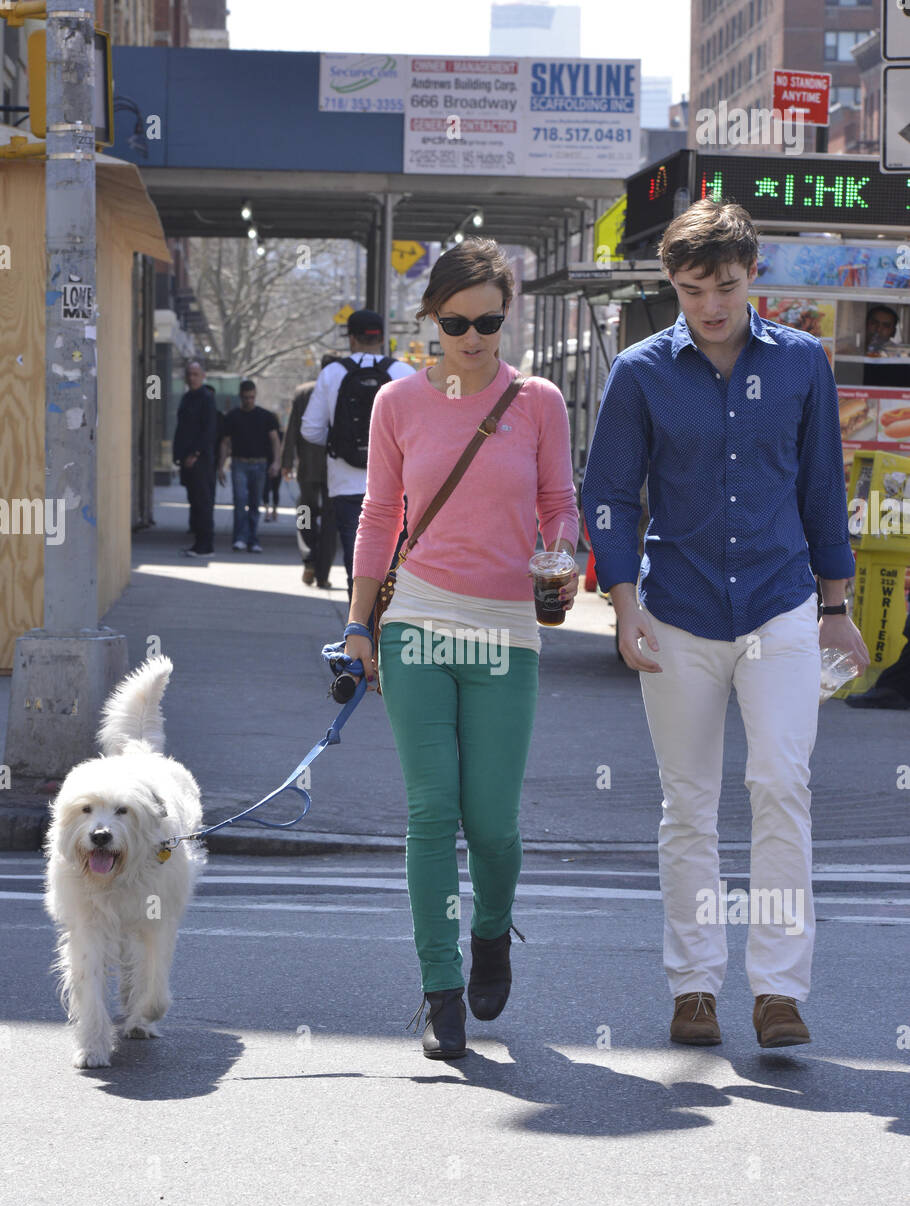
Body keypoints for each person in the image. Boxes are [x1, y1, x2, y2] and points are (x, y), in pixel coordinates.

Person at [581, 198, 869, 1051]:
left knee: (781, 784)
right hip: (678, 610)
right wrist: (623, 605)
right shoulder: (640, 371)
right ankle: (695, 987)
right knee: (689, 805)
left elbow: (822, 486)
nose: (710, 305)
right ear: (670, 283)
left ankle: (778, 991)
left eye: (727, 286)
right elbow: (609, 495)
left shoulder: (803, 361)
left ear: (753, 275)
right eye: (691, 289)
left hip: (781, 603)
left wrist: (837, 607)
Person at [344, 239, 579, 1059]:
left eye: (488, 321)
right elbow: (380, 515)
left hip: (508, 627)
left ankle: (491, 934)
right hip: (417, 621)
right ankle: (440, 986)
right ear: (431, 320)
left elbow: (559, 501)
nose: (473, 337)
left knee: (493, 824)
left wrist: (562, 556)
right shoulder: (398, 402)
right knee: (431, 811)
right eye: (455, 323)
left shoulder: (539, 401)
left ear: (506, 318)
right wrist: (358, 625)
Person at [300, 310, 415, 600]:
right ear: (382, 338)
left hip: (346, 484)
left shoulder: (332, 373)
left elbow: (310, 430)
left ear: (351, 338)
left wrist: (339, 443)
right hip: (396, 487)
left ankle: (359, 623)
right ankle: (387, 623)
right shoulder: (404, 373)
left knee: (359, 567)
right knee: (394, 569)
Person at [283, 356, 340, 588]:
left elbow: (292, 430)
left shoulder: (303, 392)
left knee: (305, 512)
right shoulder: (344, 391)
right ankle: (323, 573)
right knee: (330, 521)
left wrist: (287, 461)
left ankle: (309, 559)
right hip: (337, 469)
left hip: (308, 468)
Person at [218, 380, 281, 554]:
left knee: (254, 502)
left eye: (251, 397)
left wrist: (276, 462)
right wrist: (221, 466)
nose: (249, 401)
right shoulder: (233, 416)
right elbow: (225, 442)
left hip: (260, 464)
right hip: (239, 463)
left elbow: (275, 440)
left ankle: (252, 539)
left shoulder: (266, 416)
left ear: (255, 395)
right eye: (246, 397)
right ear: (240, 396)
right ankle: (240, 538)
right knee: (240, 501)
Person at [173, 360, 217, 557]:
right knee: (195, 502)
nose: (192, 378)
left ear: (203, 376)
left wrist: (195, 454)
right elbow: (182, 429)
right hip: (186, 459)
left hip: (200, 460)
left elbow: (208, 431)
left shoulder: (206, 398)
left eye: (196, 374)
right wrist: (178, 455)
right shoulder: (187, 398)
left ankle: (205, 545)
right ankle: (199, 542)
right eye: (189, 374)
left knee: (202, 502)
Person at [863, 304, 905, 387]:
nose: (878, 329)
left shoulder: (899, 356)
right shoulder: (852, 349)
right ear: (866, 325)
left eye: (886, 325)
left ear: (893, 332)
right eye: (874, 323)